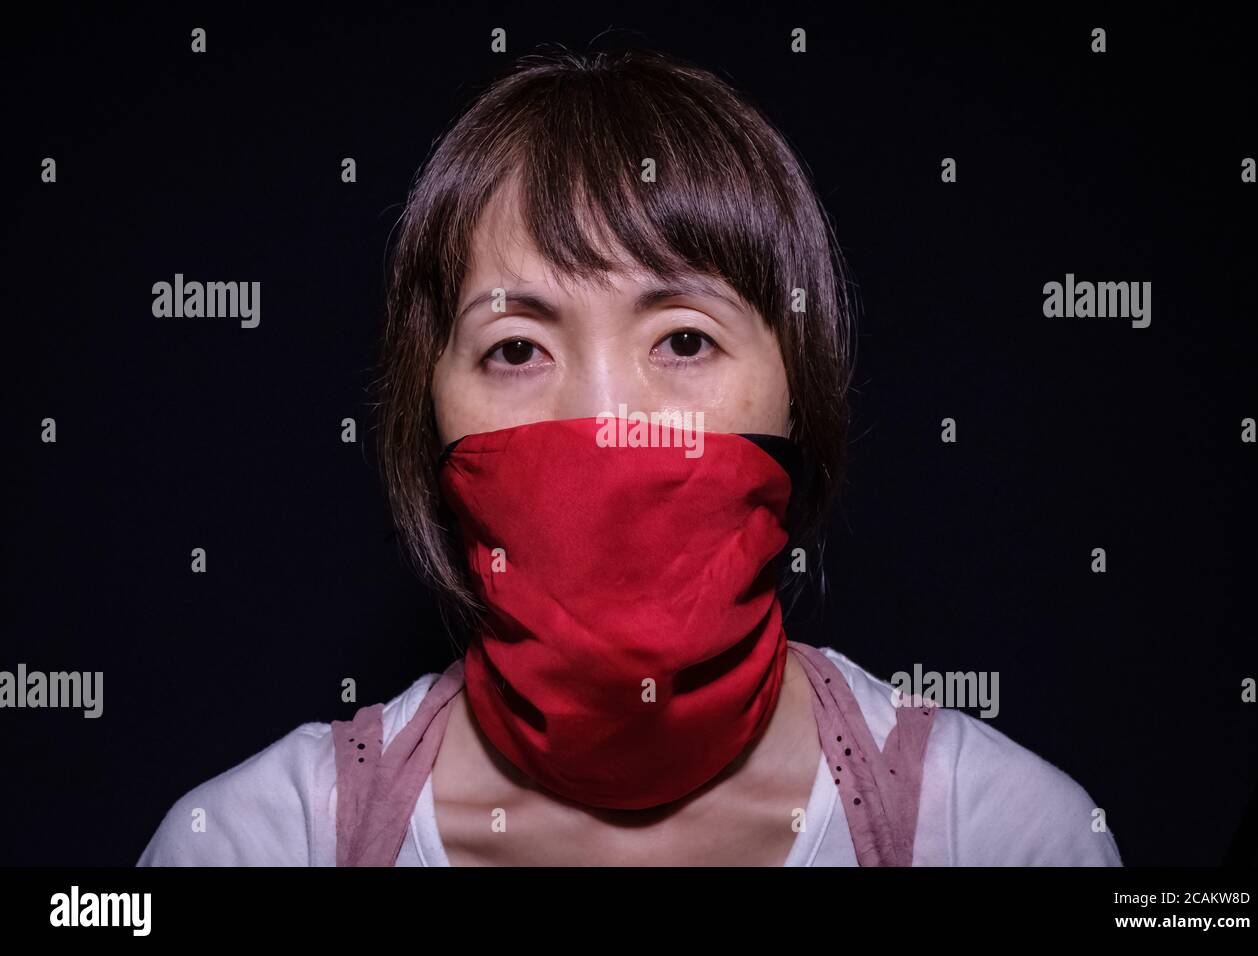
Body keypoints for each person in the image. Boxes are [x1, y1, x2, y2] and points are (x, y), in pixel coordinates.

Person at [137, 47, 1122, 867]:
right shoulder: (255, 843)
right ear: (427, 414)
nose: (607, 415)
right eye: (515, 347)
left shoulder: (1002, 834)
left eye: (684, 339)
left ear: (797, 388)